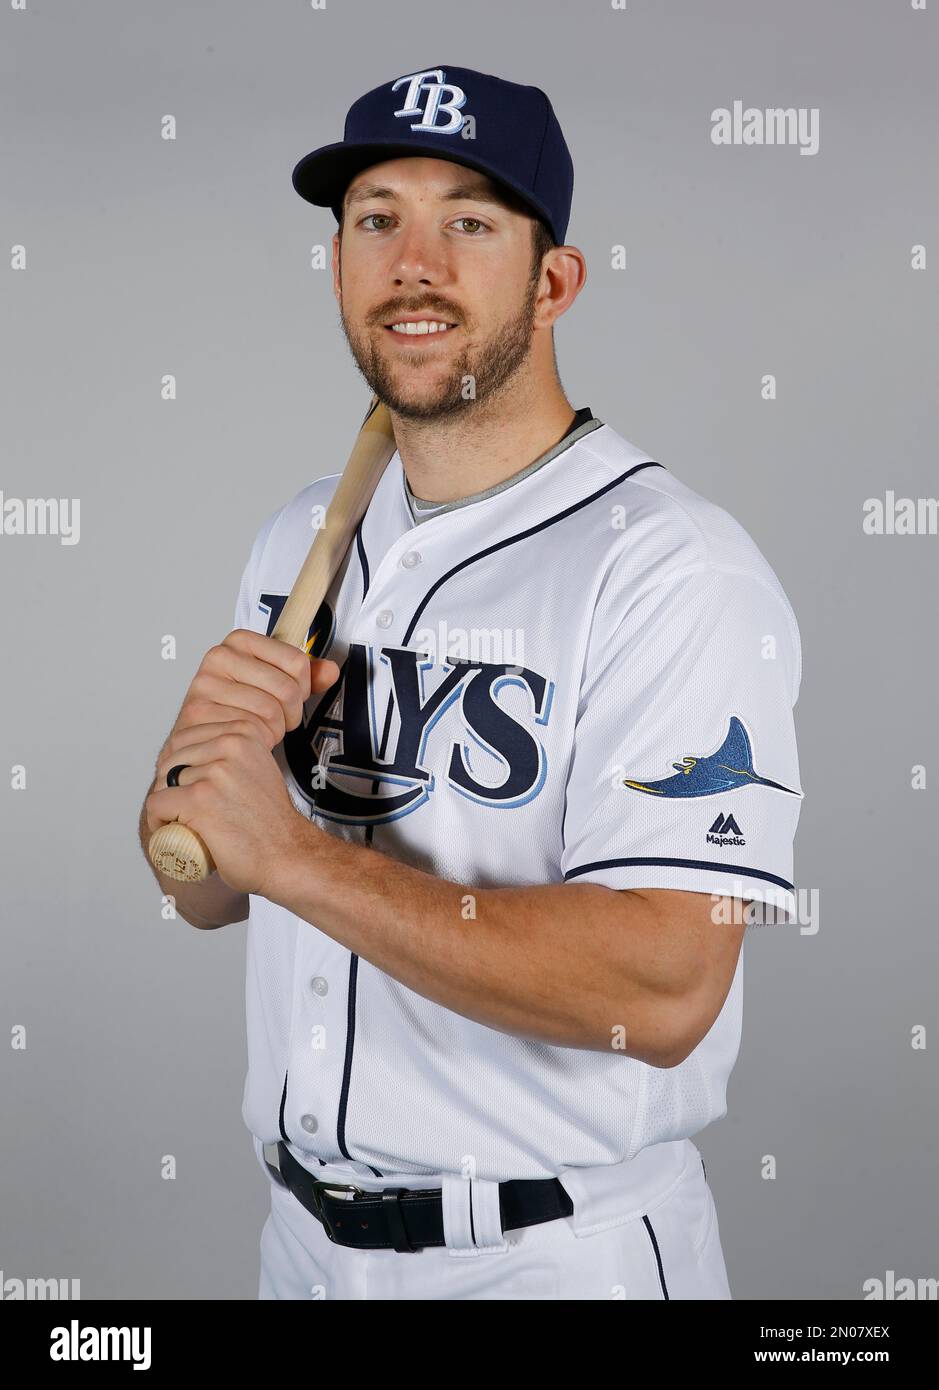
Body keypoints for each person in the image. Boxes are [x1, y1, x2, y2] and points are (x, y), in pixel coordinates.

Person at [140, 65, 803, 1300]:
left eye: (471, 222)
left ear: (553, 282)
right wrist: (190, 809)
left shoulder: (667, 568)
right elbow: (210, 891)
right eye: (377, 217)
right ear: (340, 263)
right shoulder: (300, 541)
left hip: (551, 1255)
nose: (414, 262)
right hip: (301, 1247)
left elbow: (663, 986)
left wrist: (289, 855)